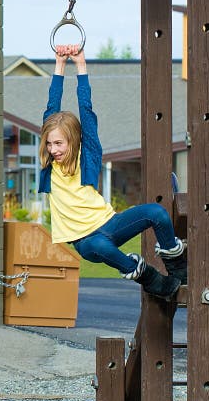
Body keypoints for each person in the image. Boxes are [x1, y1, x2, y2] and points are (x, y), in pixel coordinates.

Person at [38, 44, 187, 300]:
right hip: (86, 242)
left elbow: (87, 111)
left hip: (111, 224)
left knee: (156, 213)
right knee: (98, 245)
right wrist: (60, 66)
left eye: (58, 143)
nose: (53, 149)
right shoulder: (48, 167)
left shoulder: (88, 156)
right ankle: (150, 278)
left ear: (73, 141)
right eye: (49, 144)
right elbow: (52, 107)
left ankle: (178, 268)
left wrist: (82, 65)